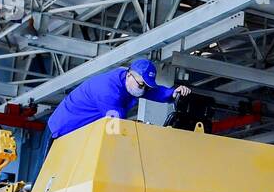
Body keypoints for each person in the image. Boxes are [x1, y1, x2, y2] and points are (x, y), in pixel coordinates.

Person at [46, 58, 191, 139]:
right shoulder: (108, 92)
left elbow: (151, 91)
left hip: (79, 134)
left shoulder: (131, 83)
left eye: (146, 86)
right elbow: (114, 129)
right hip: (61, 130)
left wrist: (172, 93)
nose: (143, 89)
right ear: (129, 75)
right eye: (142, 85)